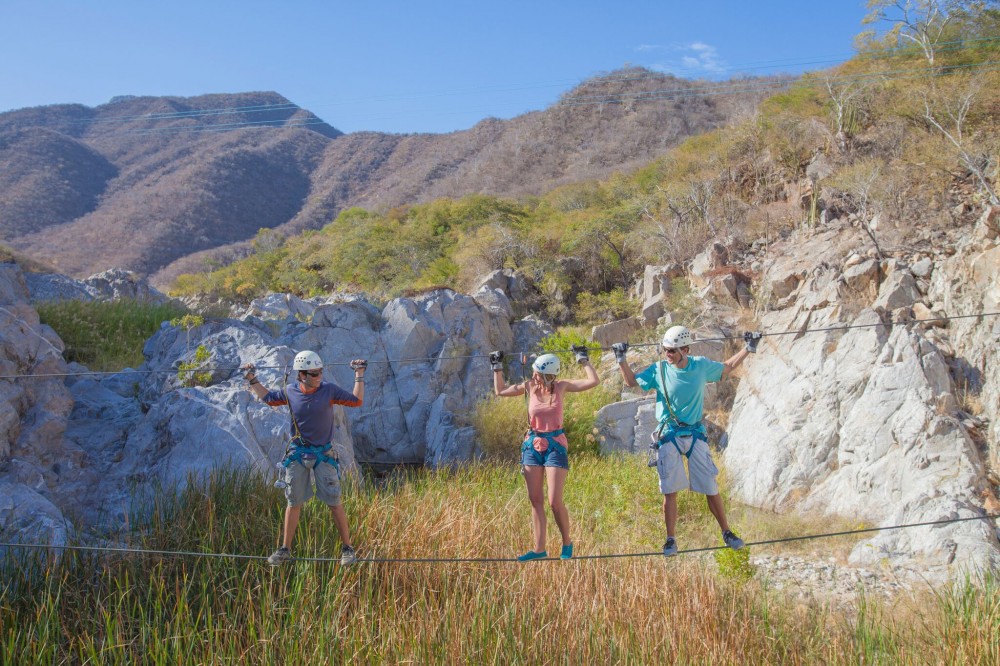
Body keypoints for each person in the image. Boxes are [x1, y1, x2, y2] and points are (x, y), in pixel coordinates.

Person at [612, 326, 762, 557]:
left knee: (710, 486)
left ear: (685, 350)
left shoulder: (700, 366)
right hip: (669, 433)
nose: (667, 354)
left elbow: (726, 367)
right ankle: (670, 539)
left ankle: (727, 532)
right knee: (670, 490)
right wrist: (621, 359)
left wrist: (748, 348)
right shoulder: (659, 369)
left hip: (694, 433)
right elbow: (632, 382)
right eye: (665, 349)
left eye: (672, 350)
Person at [242, 350, 366, 566]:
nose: (319, 376)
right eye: (314, 373)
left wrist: (359, 374)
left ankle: (348, 548)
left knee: (334, 502)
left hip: (323, 455)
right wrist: (252, 379)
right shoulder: (290, 391)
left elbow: (356, 401)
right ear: (301, 374)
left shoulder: (328, 390)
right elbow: (270, 399)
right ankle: (285, 549)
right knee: (293, 502)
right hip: (298, 453)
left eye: (320, 372)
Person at [490, 346, 599, 561]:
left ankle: (566, 542)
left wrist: (583, 359)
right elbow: (500, 390)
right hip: (532, 445)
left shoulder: (561, 387)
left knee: (554, 502)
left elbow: (593, 381)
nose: (534, 376)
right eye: (534, 372)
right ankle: (539, 549)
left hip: (555, 445)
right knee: (535, 499)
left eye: (538, 373)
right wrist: (496, 366)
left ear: (549, 376)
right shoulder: (529, 386)